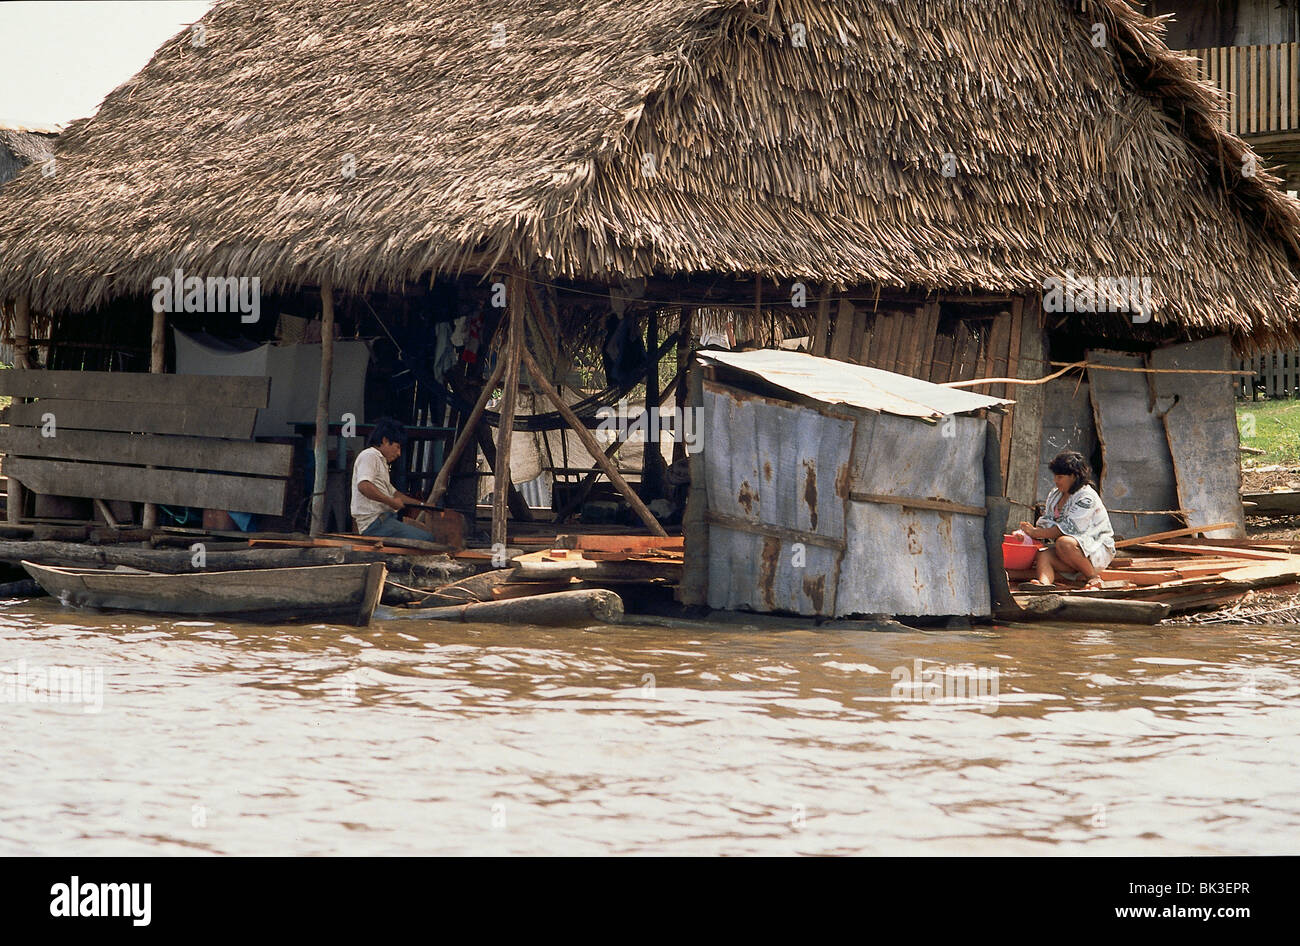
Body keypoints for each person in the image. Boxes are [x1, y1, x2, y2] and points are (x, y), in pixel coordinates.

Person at [1017, 450, 1115, 591]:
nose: (1056, 481)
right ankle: (1044, 584)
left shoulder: (1086, 497)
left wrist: (1034, 533)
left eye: (1060, 477)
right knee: (1043, 554)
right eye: (1055, 476)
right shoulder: (1055, 495)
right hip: (1070, 554)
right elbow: (1046, 524)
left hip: (1096, 551)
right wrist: (1025, 535)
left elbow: (1063, 530)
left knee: (1064, 542)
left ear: (1074, 476)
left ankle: (1093, 577)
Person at [350, 418, 433, 541]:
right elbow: (364, 486)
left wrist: (423, 505)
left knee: (426, 536)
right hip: (375, 525)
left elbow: (395, 493)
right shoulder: (369, 455)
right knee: (427, 539)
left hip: (384, 522)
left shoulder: (381, 462)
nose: (399, 453)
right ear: (385, 440)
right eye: (397, 447)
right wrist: (391, 502)